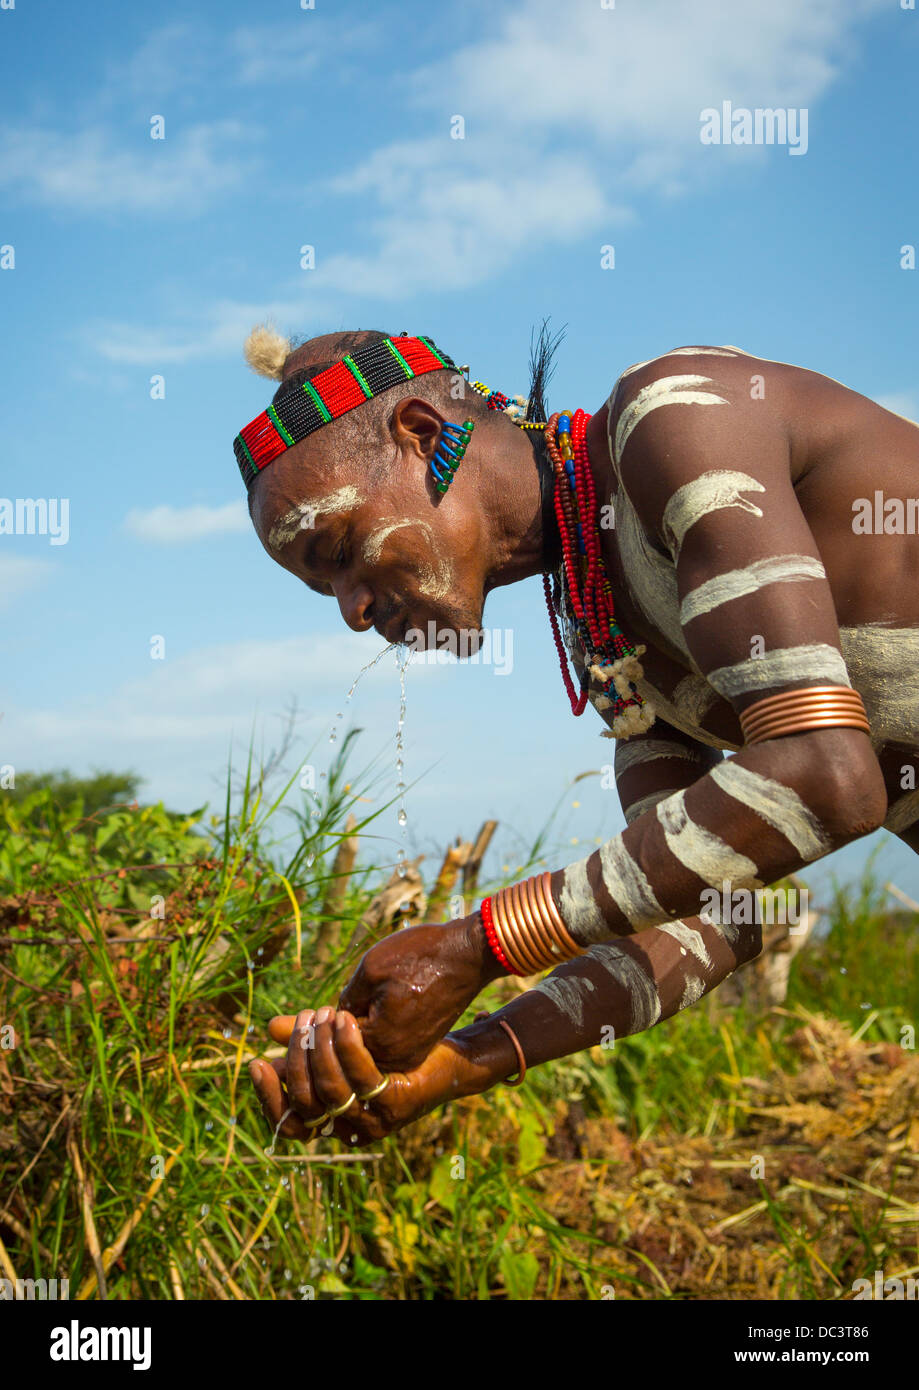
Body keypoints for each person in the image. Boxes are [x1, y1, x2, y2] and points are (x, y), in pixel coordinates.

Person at [242, 324, 919, 1147]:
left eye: (341, 550)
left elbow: (824, 774)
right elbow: (712, 916)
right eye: (327, 590)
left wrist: (472, 946)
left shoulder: (676, 419)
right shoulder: (611, 647)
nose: (353, 611)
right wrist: (455, 1064)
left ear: (419, 436)